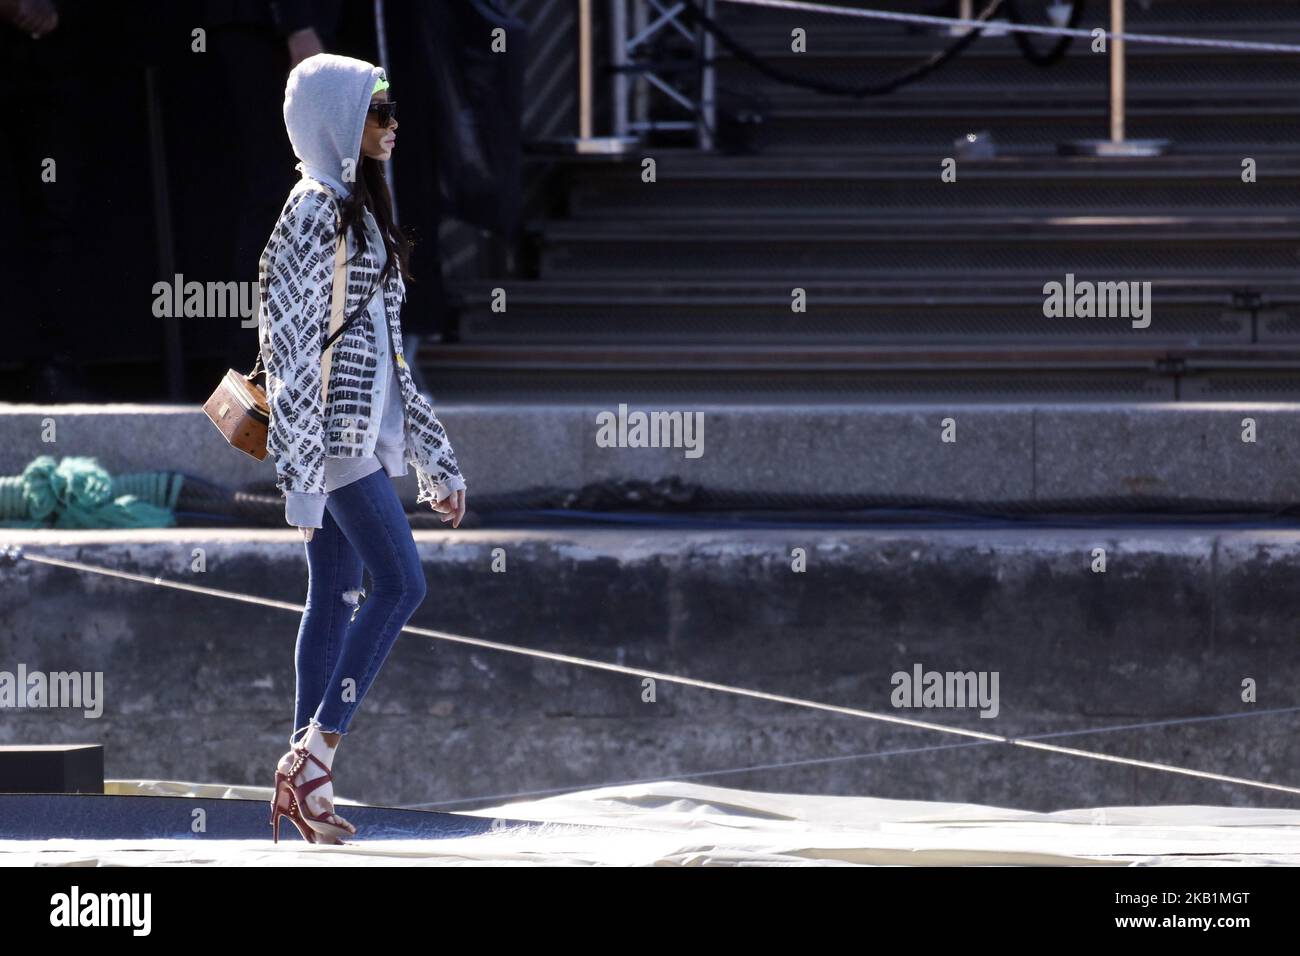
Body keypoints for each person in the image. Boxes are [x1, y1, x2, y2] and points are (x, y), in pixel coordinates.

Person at [258, 52, 467, 844]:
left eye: (391, 110)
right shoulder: (314, 209)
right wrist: (301, 480)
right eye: (378, 111)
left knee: (333, 597)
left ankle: (305, 777)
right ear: (339, 121)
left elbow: (393, 358)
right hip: (337, 446)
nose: (392, 124)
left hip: (364, 441)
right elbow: (288, 344)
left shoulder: (358, 206)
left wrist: (437, 465)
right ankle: (315, 756)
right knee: (402, 583)